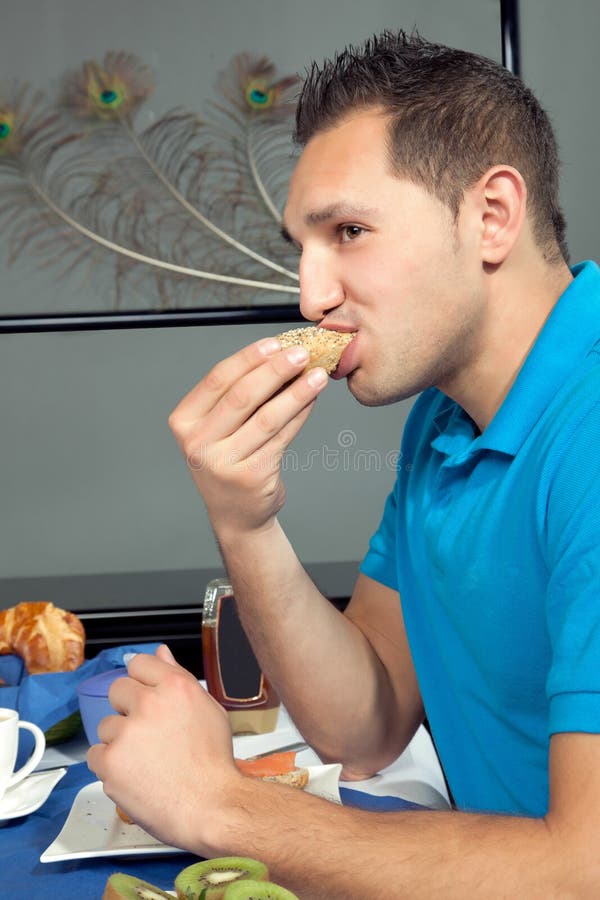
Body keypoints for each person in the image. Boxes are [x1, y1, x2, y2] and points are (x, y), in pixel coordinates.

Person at [88, 31, 600, 897]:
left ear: (493, 216)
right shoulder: (446, 411)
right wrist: (243, 519)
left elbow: (584, 867)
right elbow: (366, 723)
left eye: (349, 232)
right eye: (303, 246)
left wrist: (216, 806)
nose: (310, 295)